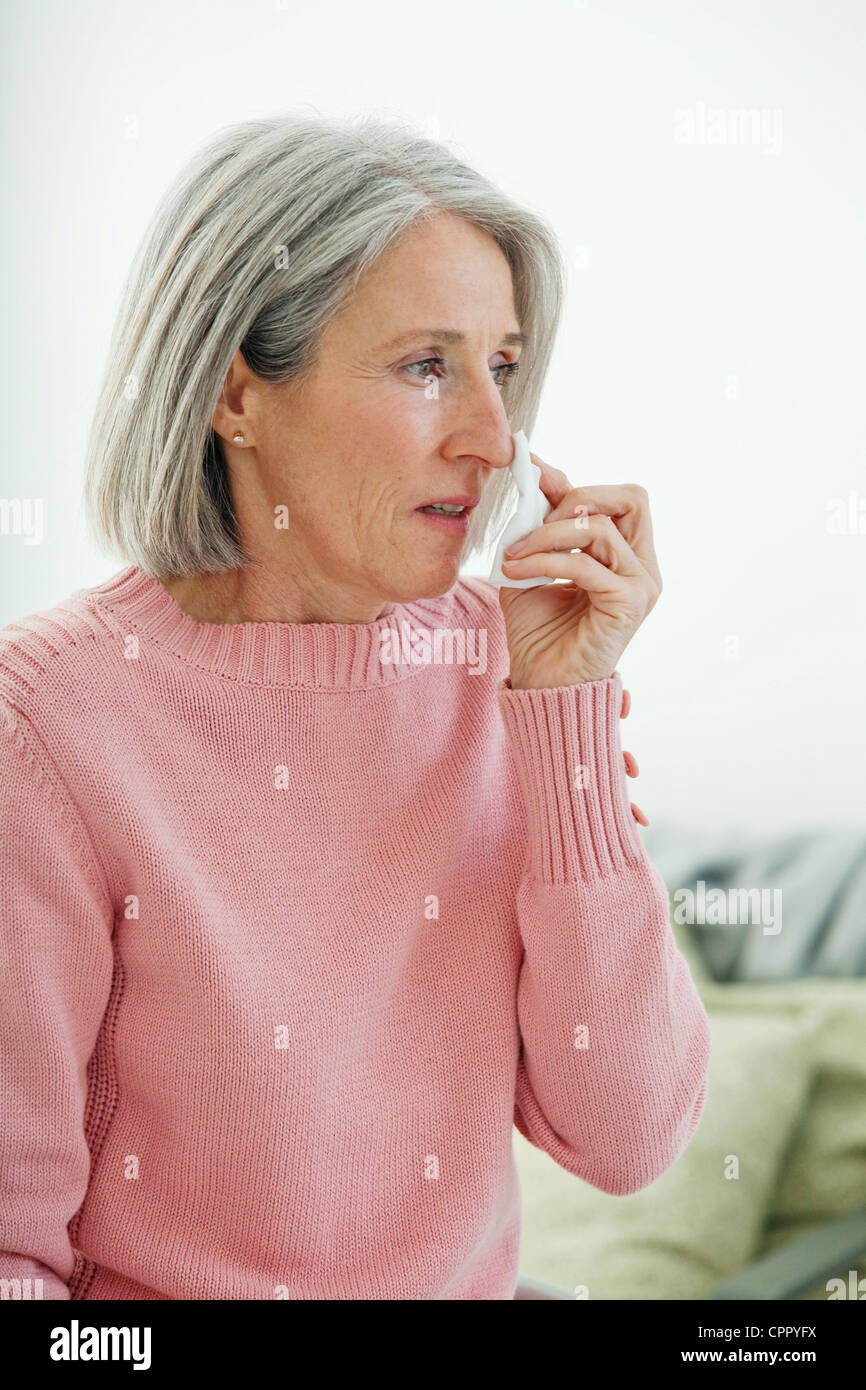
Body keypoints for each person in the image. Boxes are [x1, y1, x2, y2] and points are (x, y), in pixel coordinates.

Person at [0, 113, 710, 1301]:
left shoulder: (508, 674)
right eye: (425, 365)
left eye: (499, 367)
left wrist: (567, 708)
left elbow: (627, 1136)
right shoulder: (47, 725)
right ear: (236, 393)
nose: (491, 439)